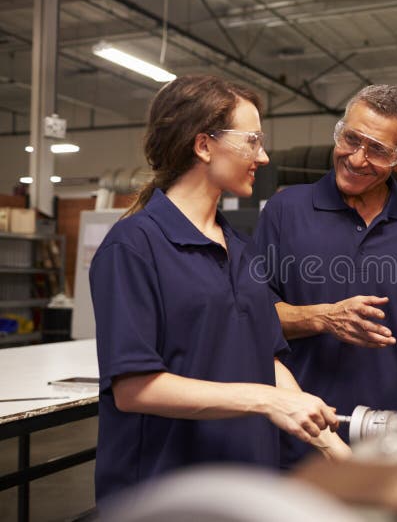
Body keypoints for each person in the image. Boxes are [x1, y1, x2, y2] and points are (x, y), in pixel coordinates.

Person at [89, 75, 349, 502]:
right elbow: (135, 388)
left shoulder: (241, 251)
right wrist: (265, 401)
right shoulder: (133, 246)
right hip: (164, 497)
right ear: (204, 144)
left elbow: (268, 361)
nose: (262, 157)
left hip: (244, 490)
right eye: (251, 141)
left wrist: (336, 451)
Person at [254, 84, 397, 469]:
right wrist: (322, 318)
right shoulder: (285, 211)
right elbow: (250, 320)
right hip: (296, 434)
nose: (357, 158)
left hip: (388, 437)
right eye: (351, 139)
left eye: (378, 150)